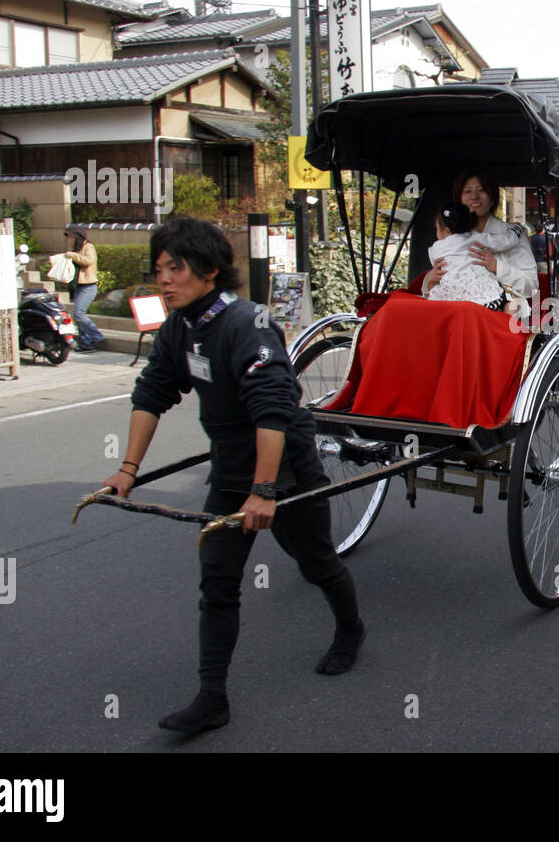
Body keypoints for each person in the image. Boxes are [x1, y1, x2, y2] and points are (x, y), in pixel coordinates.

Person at [101, 218, 364, 735]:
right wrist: (127, 470)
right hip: (229, 469)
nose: (165, 281)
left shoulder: (249, 323)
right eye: (159, 271)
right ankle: (211, 697)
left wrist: (264, 490)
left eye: (174, 269)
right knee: (218, 580)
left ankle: (351, 630)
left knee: (316, 563)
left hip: (285, 468)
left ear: (209, 271)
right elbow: (152, 393)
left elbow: (271, 412)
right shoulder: (180, 327)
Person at [423, 170, 538, 318]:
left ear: (492, 199)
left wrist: (498, 267)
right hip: (458, 311)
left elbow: (532, 286)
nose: (474, 196)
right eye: (468, 191)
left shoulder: (508, 233)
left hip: (501, 311)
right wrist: (431, 279)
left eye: (481, 190)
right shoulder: (450, 237)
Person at [425, 200, 519, 311]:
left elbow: (436, 265)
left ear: (446, 231)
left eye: (437, 229)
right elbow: (506, 242)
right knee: (512, 299)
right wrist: (516, 229)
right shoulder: (476, 238)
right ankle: (505, 319)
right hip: (482, 298)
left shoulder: (435, 248)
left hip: (451, 300)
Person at [63, 225, 105, 352]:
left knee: (78, 313)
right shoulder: (78, 248)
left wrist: (72, 255)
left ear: (77, 237)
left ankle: (96, 335)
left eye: (71, 237)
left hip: (89, 285)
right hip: (80, 285)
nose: (69, 240)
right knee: (77, 314)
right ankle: (86, 344)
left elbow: (88, 260)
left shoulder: (88, 247)